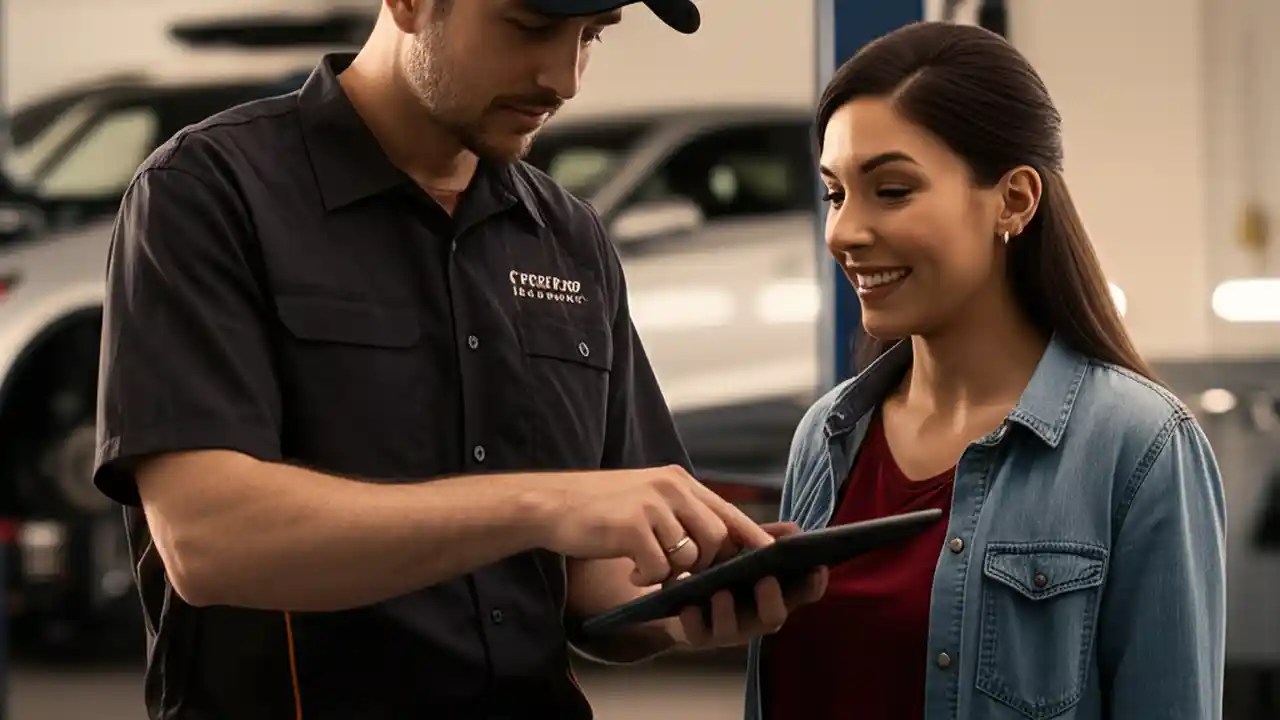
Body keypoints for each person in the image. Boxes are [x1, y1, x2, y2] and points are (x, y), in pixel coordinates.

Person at [92, 1, 826, 718]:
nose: (564, 78)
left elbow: (592, 579)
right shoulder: (208, 194)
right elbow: (208, 539)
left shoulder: (569, 238)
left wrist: (685, 604)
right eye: (531, 27)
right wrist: (544, 505)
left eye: (591, 36)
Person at [743, 21, 1226, 720]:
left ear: (1015, 200)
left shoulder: (1141, 447)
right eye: (835, 194)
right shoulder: (826, 436)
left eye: (892, 190)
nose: (844, 232)